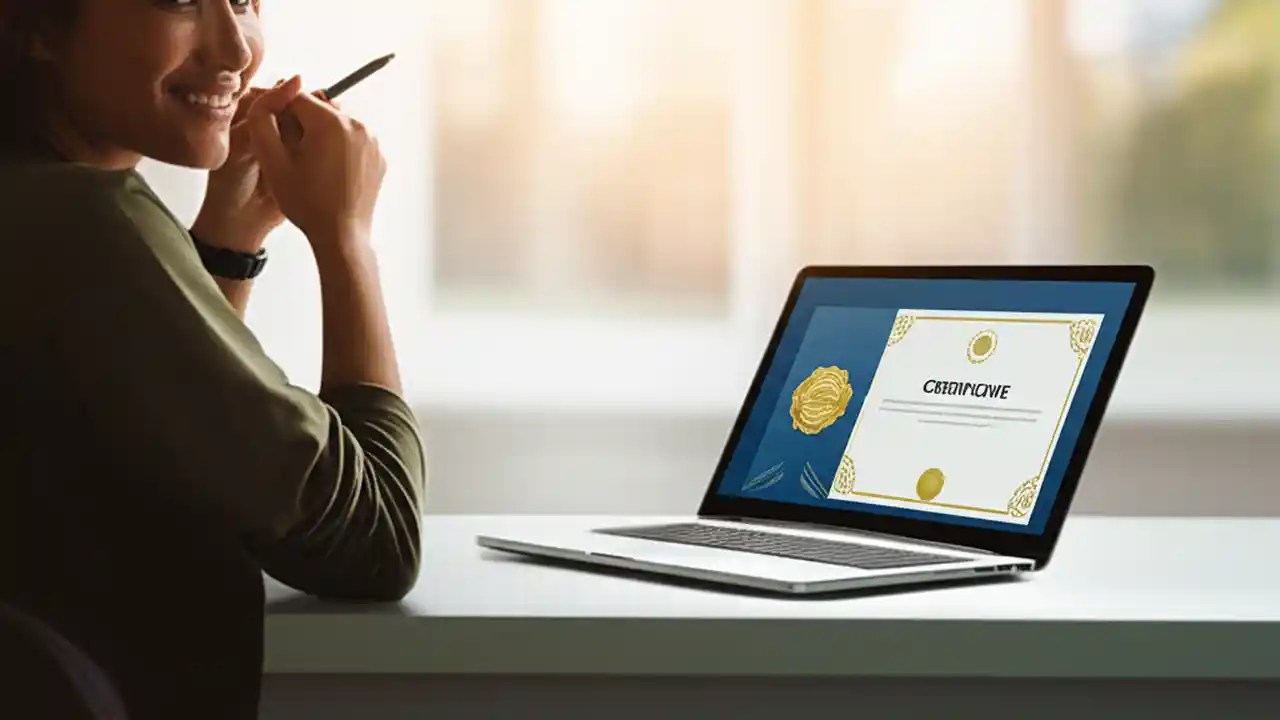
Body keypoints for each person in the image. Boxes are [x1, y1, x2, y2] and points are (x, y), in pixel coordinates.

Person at [0, 1, 426, 718]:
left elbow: (159, 451)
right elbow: (377, 539)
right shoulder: (88, 221)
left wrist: (228, 239)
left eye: (248, 1)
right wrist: (346, 240)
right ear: (38, 24)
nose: (236, 48)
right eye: (182, 2)